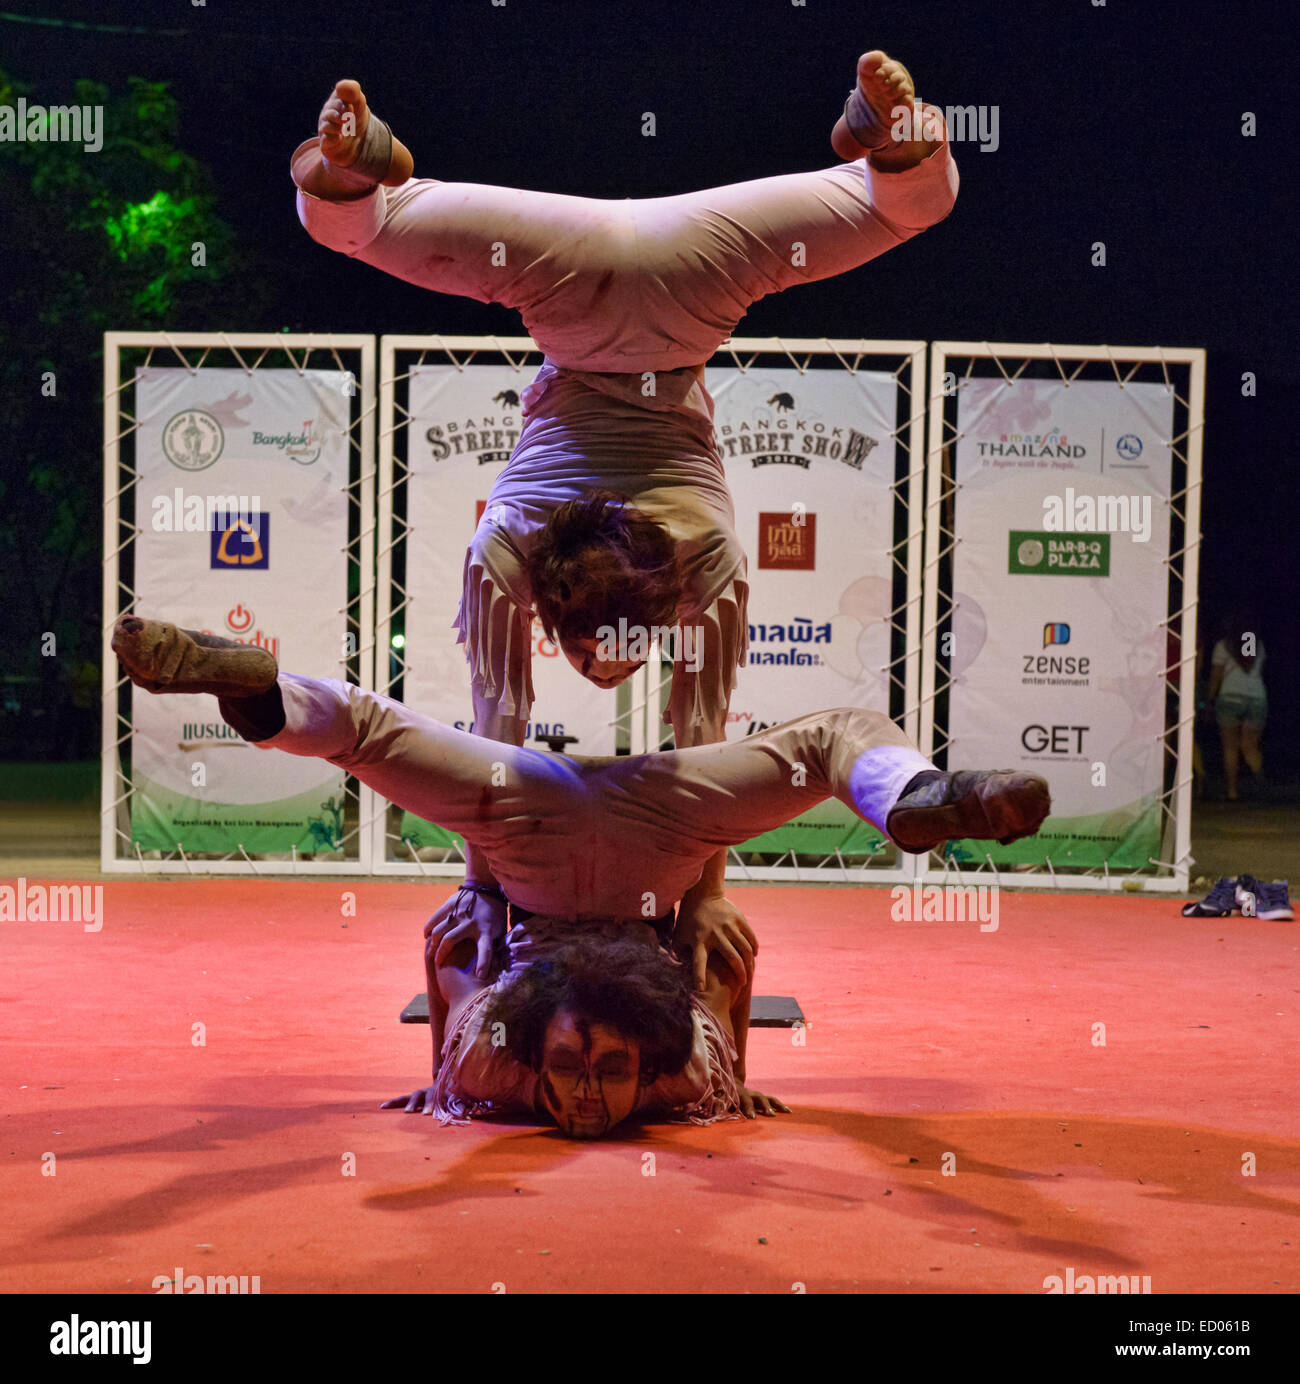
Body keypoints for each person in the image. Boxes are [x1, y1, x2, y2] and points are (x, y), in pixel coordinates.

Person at [290, 50, 961, 982]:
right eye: (617, 655)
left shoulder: (658, 556)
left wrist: (491, 888)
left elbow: (503, 740)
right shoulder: (582, 554)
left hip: (673, 287)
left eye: (599, 655)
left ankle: (362, 165)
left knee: (909, 213)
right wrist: (704, 894)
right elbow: (697, 759)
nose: (607, 672)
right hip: (604, 279)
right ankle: (877, 145)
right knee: (354, 231)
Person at [111, 616, 1051, 1138]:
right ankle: (917, 790)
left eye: (568, 1070)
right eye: (601, 1072)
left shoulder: (505, 1071)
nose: (589, 1096)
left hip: (565, 834)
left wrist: (445, 1078)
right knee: (367, 733)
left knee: (371, 733)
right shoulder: (677, 1082)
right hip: (610, 837)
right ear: (648, 1060)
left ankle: (262, 696)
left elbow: (454, 954)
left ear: (536, 1053)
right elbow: (722, 961)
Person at [1209, 610, 1267, 801]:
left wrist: (1209, 698)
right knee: (1250, 746)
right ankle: (1261, 785)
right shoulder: (1258, 645)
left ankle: (1232, 791)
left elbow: (1216, 677)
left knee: (1230, 747)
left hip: (1230, 698)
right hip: (1256, 698)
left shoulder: (1222, 646)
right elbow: (1253, 667)